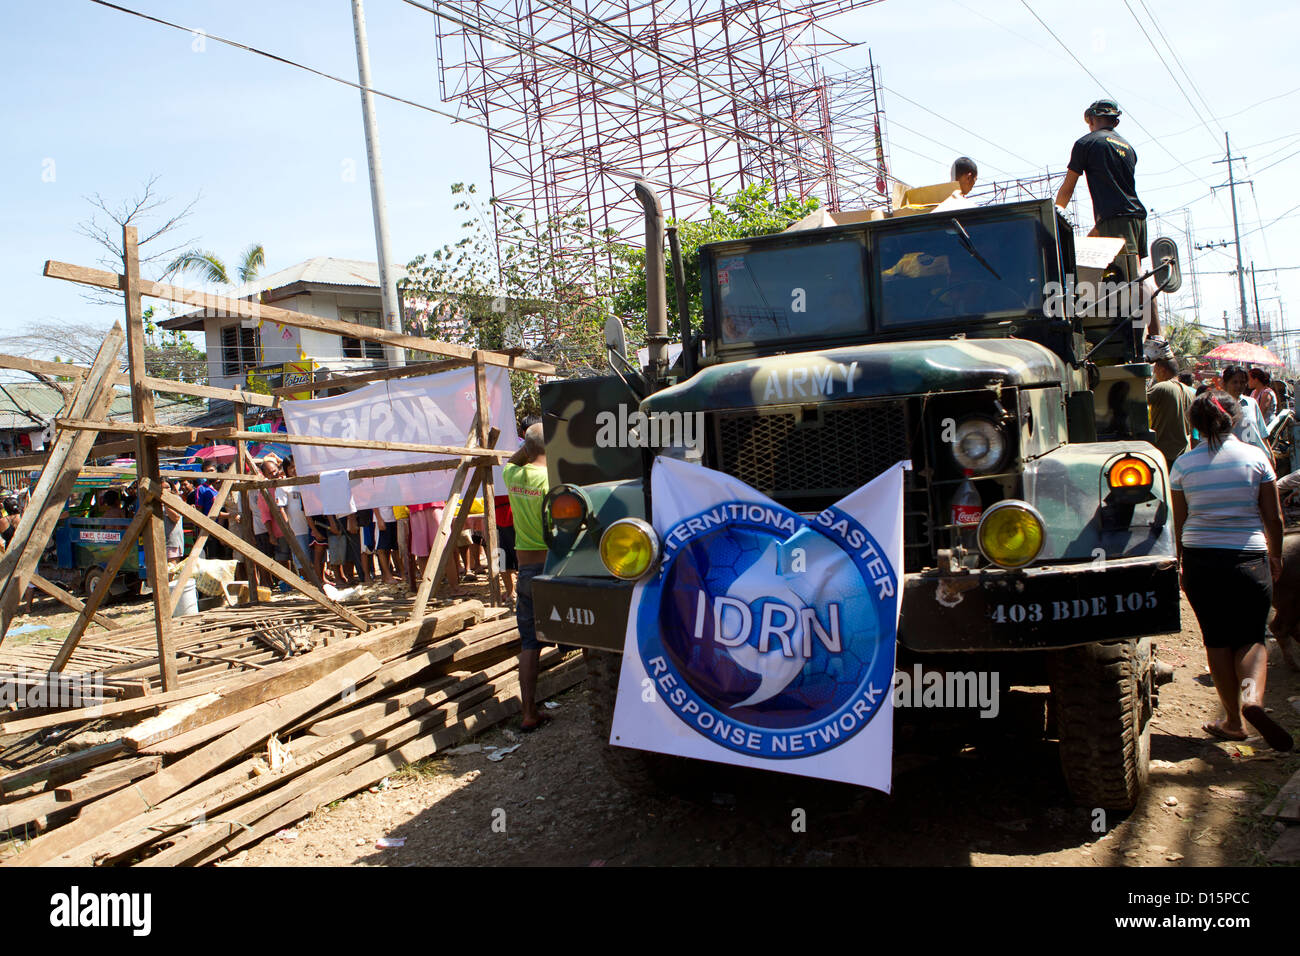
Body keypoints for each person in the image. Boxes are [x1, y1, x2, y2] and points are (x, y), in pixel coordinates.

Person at [1170, 390, 1292, 751]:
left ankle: (1233, 721)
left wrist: (1179, 561)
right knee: (1252, 637)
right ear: (1234, 419)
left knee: (1217, 640)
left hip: (1200, 561)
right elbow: (1274, 517)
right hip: (1249, 559)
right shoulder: (1255, 458)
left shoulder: (1183, 465)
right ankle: (1252, 699)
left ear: (1195, 424)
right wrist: (1276, 556)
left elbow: (1180, 521)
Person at [1055, 99, 1147, 284]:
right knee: (1088, 259)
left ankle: (1149, 314)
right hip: (1135, 219)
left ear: (1091, 118)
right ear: (1116, 122)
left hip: (1117, 219)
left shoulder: (1086, 143)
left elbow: (1068, 187)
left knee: (1132, 278)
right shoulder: (1129, 148)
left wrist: (1055, 215)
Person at [503, 423, 551, 733]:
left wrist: (530, 445)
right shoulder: (552, 479)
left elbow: (513, 460)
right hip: (555, 566)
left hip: (526, 569)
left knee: (530, 644)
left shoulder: (512, 476)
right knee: (583, 638)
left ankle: (529, 712)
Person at [1148, 357, 1190, 468]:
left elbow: (1136, 401)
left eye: (1155, 371)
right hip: (1184, 452)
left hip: (1165, 454)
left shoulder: (1161, 387)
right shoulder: (1189, 391)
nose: (1155, 375)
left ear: (1162, 370)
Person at [1221, 365, 1272, 457]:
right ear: (1224, 384)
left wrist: (1269, 453)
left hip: (1256, 457)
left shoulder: (1251, 403)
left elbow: (1262, 433)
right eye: (1235, 382)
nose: (1239, 386)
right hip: (1231, 459)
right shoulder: (1218, 406)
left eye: (1242, 382)